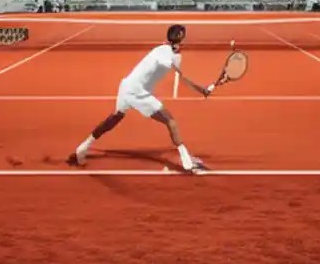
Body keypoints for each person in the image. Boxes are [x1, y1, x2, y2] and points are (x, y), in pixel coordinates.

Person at [67, 24, 212, 173]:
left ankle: (82, 148)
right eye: (182, 37)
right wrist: (201, 89)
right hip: (138, 92)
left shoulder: (172, 54)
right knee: (171, 121)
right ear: (179, 39)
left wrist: (201, 89)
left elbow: (182, 77)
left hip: (127, 86)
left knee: (115, 118)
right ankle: (186, 161)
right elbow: (177, 72)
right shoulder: (163, 52)